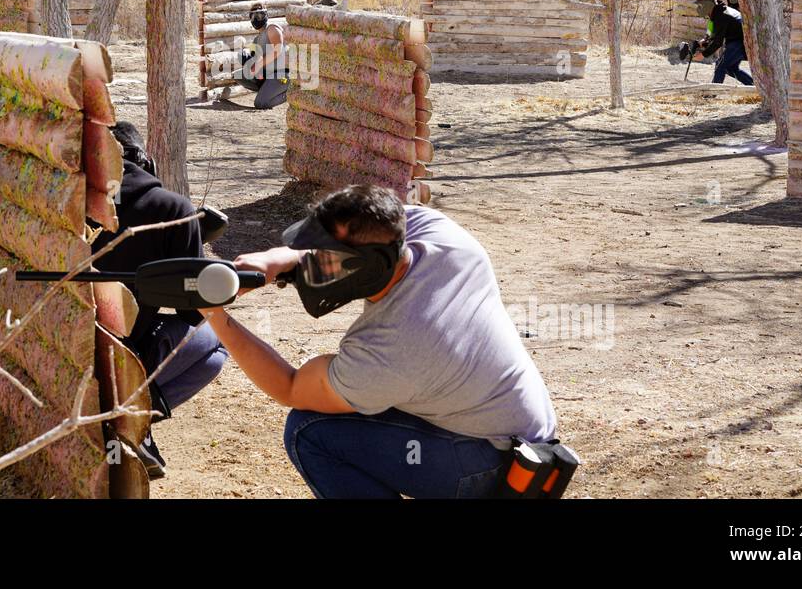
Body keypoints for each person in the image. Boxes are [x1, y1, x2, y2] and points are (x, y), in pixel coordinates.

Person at [200, 184, 559, 498]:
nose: (312, 265)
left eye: (324, 259)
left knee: (309, 431)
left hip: (489, 468)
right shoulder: (439, 236)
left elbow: (291, 387)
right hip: (516, 432)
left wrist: (214, 315)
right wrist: (276, 259)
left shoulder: (391, 347)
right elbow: (383, 220)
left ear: (367, 268)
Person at [90, 121, 227, 478]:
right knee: (215, 349)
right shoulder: (172, 208)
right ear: (146, 162)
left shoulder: (67, 201)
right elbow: (193, 311)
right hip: (128, 351)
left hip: (62, 336)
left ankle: (132, 426)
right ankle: (134, 424)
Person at [234, 2, 289, 110]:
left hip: (282, 73)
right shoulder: (256, 40)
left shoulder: (272, 29)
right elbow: (255, 59)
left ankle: (292, 93)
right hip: (268, 74)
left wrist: (258, 64)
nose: (256, 19)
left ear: (266, 16)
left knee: (260, 104)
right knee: (238, 75)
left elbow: (277, 50)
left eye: (259, 15)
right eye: (253, 16)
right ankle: (266, 89)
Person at [694, 0, 753, 85]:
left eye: (701, 5)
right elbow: (712, 29)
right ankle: (753, 87)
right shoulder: (717, 12)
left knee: (720, 66)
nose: (699, 8)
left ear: (707, 5)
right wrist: (705, 40)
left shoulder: (722, 15)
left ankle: (713, 93)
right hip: (738, 41)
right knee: (730, 68)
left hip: (740, 42)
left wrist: (703, 55)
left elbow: (718, 42)